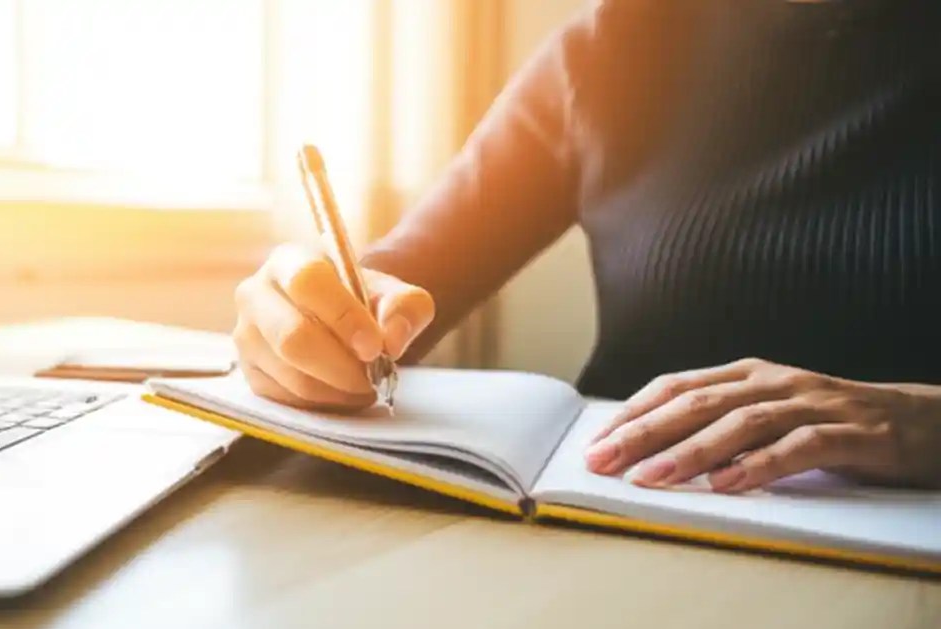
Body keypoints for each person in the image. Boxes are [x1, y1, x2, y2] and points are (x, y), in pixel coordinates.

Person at [232, 0, 941, 494]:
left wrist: (922, 422)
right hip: (616, 516)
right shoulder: (618, 44)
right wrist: (308, 321)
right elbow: (399, 281)